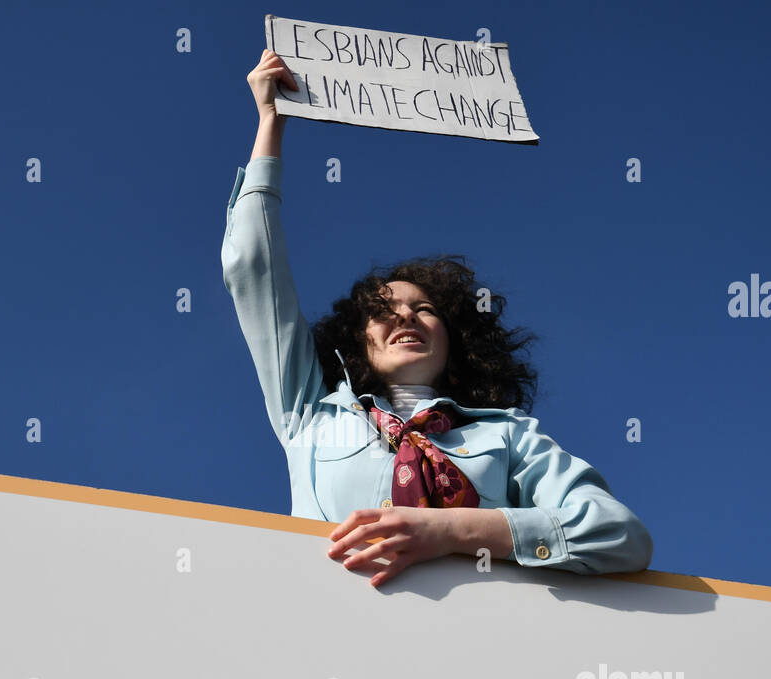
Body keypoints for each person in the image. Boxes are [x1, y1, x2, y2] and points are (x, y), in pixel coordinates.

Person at [221, 49, 654, 589]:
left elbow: (620, 536)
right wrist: (271, 124)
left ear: (455, 340)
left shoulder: (509, 435)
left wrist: (450, 531)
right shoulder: (309, 414)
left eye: (425, 308)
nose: (404, 315)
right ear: (360, 340)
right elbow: (251, 265)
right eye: (382, 310)